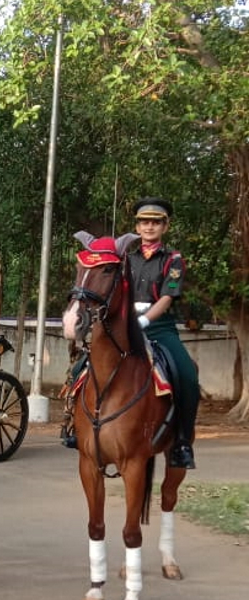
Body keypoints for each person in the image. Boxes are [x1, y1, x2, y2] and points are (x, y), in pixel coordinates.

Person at [128, 197, 199, 469]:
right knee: (82, 369)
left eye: (155, 222)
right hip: (126, 326)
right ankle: (75, 427)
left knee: (188, 376)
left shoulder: (174, 260)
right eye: (144, 221)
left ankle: (182, 442)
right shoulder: (126, 259)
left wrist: (144, 321)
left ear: (165, 226)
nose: (149, 226)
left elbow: (167, 298)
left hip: (159, 328)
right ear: (137, 226)